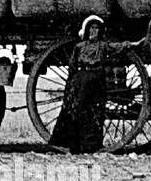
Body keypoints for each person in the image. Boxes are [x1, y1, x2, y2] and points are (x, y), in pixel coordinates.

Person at [48, 15, 138, 155]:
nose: (93, 32)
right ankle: (73, 146)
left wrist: (133, 44)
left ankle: (91, 146)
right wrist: (71, 85)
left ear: (100, 32)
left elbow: (118, 46)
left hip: (96, 81)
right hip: (80, 80)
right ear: (86, 30)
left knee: (94, 114)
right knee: (75, 112)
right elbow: (72, 66)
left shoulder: (103, 46)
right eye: (91, 29)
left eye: (96, 29)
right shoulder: (79, 47)